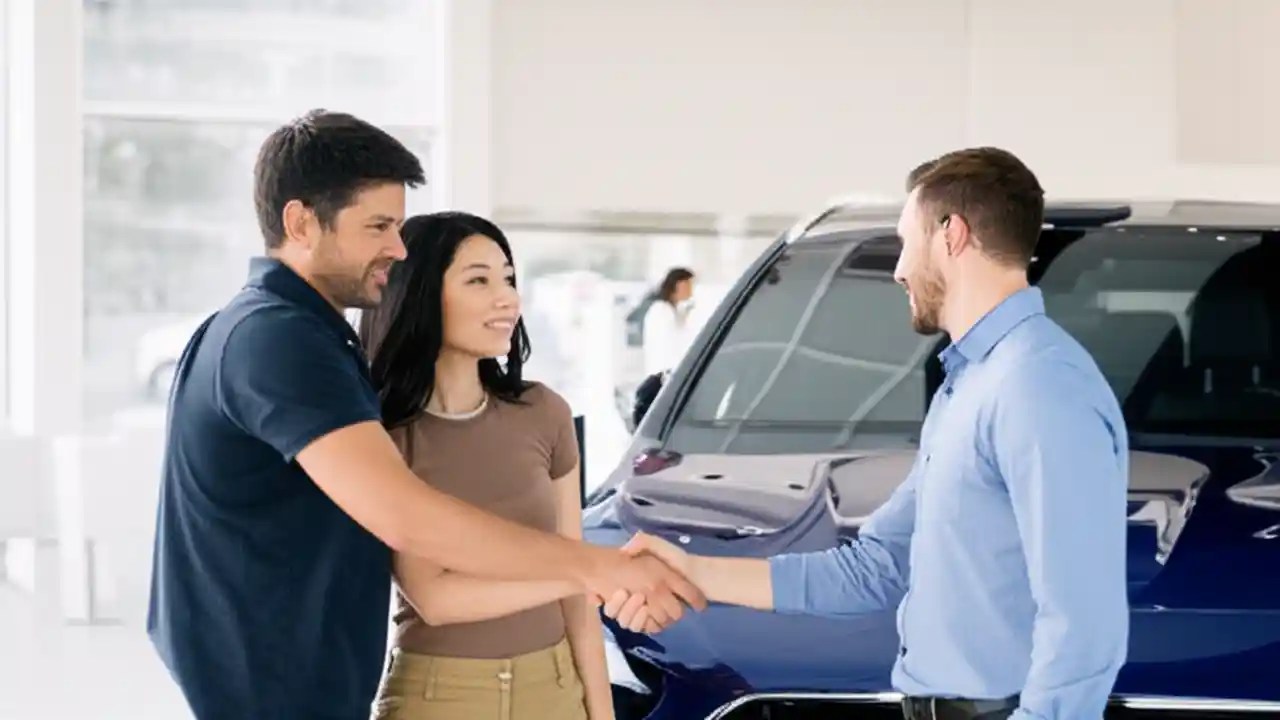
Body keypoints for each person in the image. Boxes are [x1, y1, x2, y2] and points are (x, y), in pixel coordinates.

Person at [146, 110, 704, 720]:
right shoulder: (276, 339)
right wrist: (599, 568)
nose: (397, 247)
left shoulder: (300, 336)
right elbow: (407, 519)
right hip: (273, 695)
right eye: (379, 226)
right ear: (301, 222)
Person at [606, 147, 1130, 720]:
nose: (900, 268)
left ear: (950, 234)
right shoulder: (972, 382)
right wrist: (692, 570)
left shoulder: (1036, 384)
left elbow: (1084, 621)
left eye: (907, 242)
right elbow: (876, 568)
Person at [356, 212, 610, 720]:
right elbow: (435, 598)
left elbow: (581, 608)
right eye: (479, 280)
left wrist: (600, 714)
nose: (508, 298)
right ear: (422, 293)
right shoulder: (384, 434)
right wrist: (584, 573)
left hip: (556, 688)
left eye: (509, 279)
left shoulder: (545, 413)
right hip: (440, 695)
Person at [642, 267, 696, 374]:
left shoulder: (674, 310)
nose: (691, 290)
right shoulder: (661, 311)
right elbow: (671, 346)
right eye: (689, 285)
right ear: (679, 285)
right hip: (664, 374)